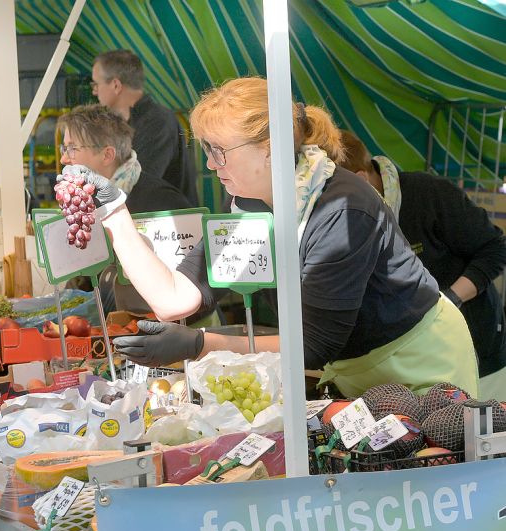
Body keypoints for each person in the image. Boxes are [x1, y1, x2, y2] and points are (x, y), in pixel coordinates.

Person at [90, 76, 478, 398]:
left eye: (219, 151)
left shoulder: (341, 210)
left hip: (422, 367)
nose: (210, 164)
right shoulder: (248, 204)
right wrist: (115, 214)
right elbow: (177, 298)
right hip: (357, 372)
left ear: (270, 149)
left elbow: (312, 346)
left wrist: (201, 344)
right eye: (206, 150)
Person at [340, 130, 506, 399]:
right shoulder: (348, 221)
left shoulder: (428, 194)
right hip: (406, 360)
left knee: (480, 431)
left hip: (475, 346)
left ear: (359, 179)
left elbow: (494, 249)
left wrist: (449, 300)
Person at [57, 104, 193, 313]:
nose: (64, 159)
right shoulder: (86, 203)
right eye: (63, 148)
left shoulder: (162, 202)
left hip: (181, 331)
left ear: (107, 155)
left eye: (72, 148)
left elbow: (188, 287)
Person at [91, 50, 198, 205]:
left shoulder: (159, 121)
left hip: (171, 221)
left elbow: (137, 178)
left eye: (96, 84)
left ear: (116, 85)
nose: (94, 91)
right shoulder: (124, 123)